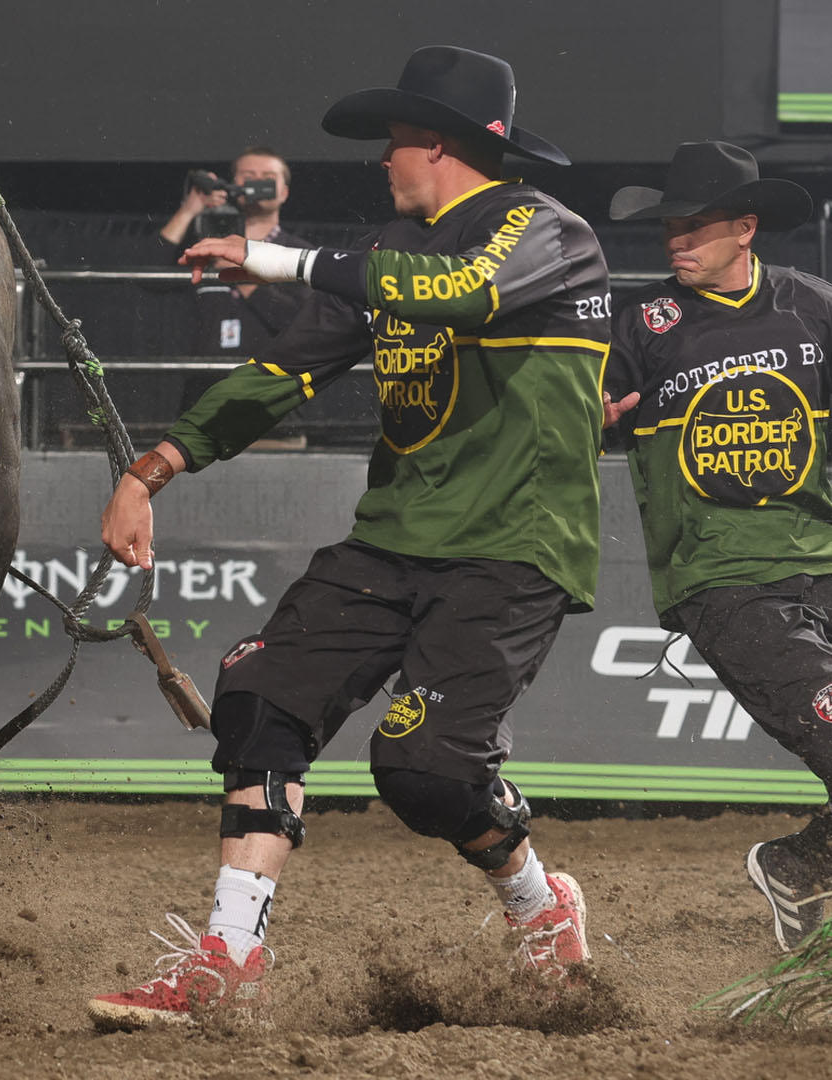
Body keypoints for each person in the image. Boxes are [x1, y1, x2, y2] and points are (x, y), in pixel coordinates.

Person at [90, 45, 612, 1029]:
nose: (384, 163)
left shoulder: (550, 234)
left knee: (423, 768)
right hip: (391, 544)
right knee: (256, 701)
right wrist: (150, 468)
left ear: (441, 148)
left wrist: (273, 255)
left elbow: (466, 295)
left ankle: (541, 909)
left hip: (511, 551)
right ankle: (227, 960)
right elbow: (283, 374)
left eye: (394, 146)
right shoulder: (392, 257)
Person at [601, 141, 832, 952]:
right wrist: (582, 416)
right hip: (726, 580)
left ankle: (802, 864)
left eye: (694, 227)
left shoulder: (813, 306)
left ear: (746, 228)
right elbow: (573, 409)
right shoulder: (640, 326)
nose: (676, 242)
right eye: (669, 228)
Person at [156, 148, 313, 366]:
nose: (257, 182)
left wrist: (245, 277)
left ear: (284, 192)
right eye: (248, 177)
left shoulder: (298, 252)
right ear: (234, 186)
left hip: (271, 382)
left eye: (267, 178)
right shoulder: (208, 245)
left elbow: (304, 324)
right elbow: (151, 278)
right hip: (204, 379)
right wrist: (189, 210)